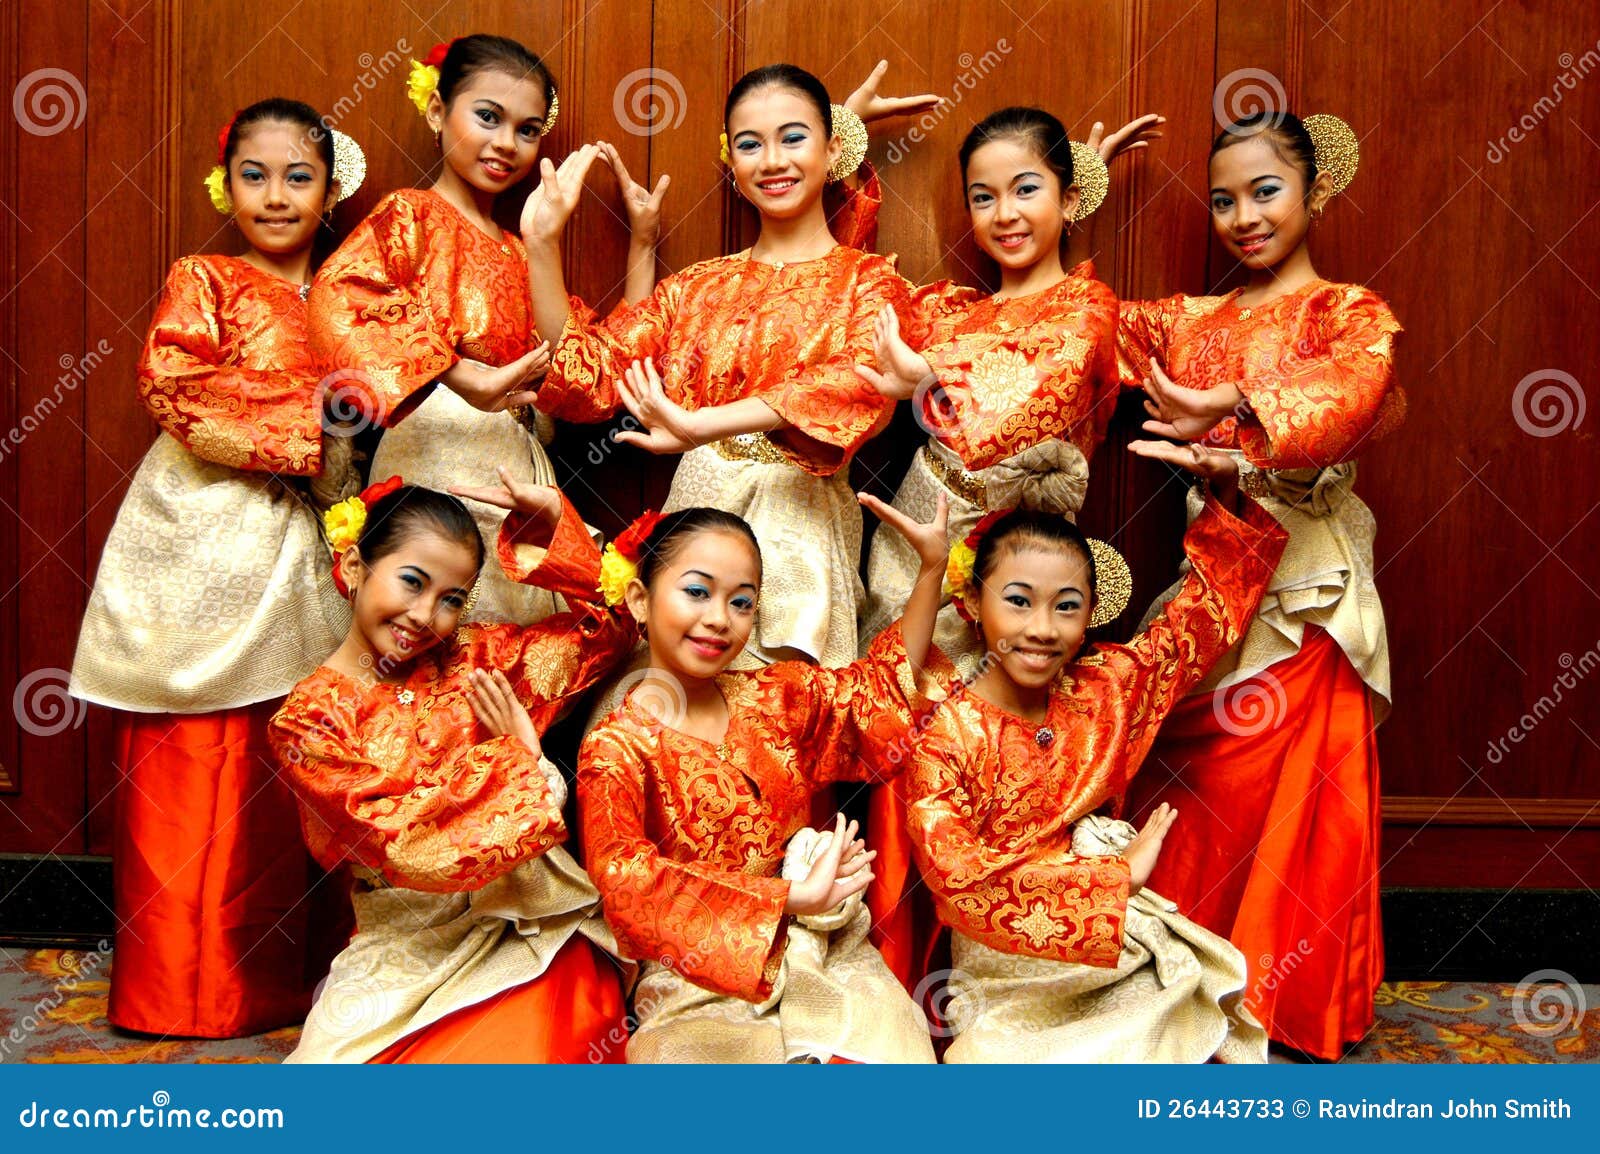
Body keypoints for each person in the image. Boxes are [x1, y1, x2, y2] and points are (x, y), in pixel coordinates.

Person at [70, 98, 364, 1037]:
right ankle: (175, 989)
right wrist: (309, 424)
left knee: (286, 759)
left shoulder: (346, 299)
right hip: (199, 538)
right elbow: (173, 381)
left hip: (305, 541)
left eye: (298, 177)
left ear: (330, 191)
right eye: (255, 175)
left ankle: (280, 980)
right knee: (191, 751)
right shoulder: (205, 277)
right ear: (224, 183)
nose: (275, 196)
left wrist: (343, 442)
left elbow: (361, 411)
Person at [1119, 110, 1403, 1058]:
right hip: (1211, 573)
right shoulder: (1193, 320)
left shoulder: (1346, 314)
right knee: (1191, 777)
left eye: (1267, 191)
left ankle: (1281, 999)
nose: (1243, 216)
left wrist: (1233, 407)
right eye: (1225, 199)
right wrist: (1069, 192)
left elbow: (1349, 398)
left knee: (1292, 794)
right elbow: (1080, 331)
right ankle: (1189, 986)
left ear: (1316, 191)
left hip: (1304, 582)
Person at [900, 439, 1287, 1061]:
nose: (1043, 629)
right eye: (1018, 601)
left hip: (1112, 947)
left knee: (1171, 1005)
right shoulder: (946, 728)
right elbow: (957, 882)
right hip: (1007, 959)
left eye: (1067, 607)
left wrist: (1226, 488)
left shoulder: (1107, 686)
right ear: (972, 603)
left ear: (1090, 617)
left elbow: (1203, 616)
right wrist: (1115, 877)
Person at [268, 474, 635, 1062]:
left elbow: (611, 632)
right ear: (357, 565)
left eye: (451, 598)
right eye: (412, 582)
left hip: (520, 916)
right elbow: (403, 842)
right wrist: (523, 764)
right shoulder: (307, 724)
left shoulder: (477, 658)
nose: (424, 615)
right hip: (403, 936)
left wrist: (561, 533)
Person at [576, 490, 949, 1062]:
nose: (719, 619)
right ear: (639, 600)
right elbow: (627, 883)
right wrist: (787, 899)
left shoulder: (776, 695)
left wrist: (930, 571)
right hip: (695, 981)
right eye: (696, 592)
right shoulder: (615, 748)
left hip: (826, 952)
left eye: (742, 602)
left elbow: (876, 692)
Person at [309, 33, 665, 624]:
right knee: (422, 636)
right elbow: (339, 298)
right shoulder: (410, 216)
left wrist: (644, 244)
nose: (507, 143)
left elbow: (603, 369)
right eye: (488, 117)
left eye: (527, 131)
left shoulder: (524, 254)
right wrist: (456, 372)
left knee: (507, 659)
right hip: (430, 461)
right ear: (435, 110)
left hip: (512, 475)